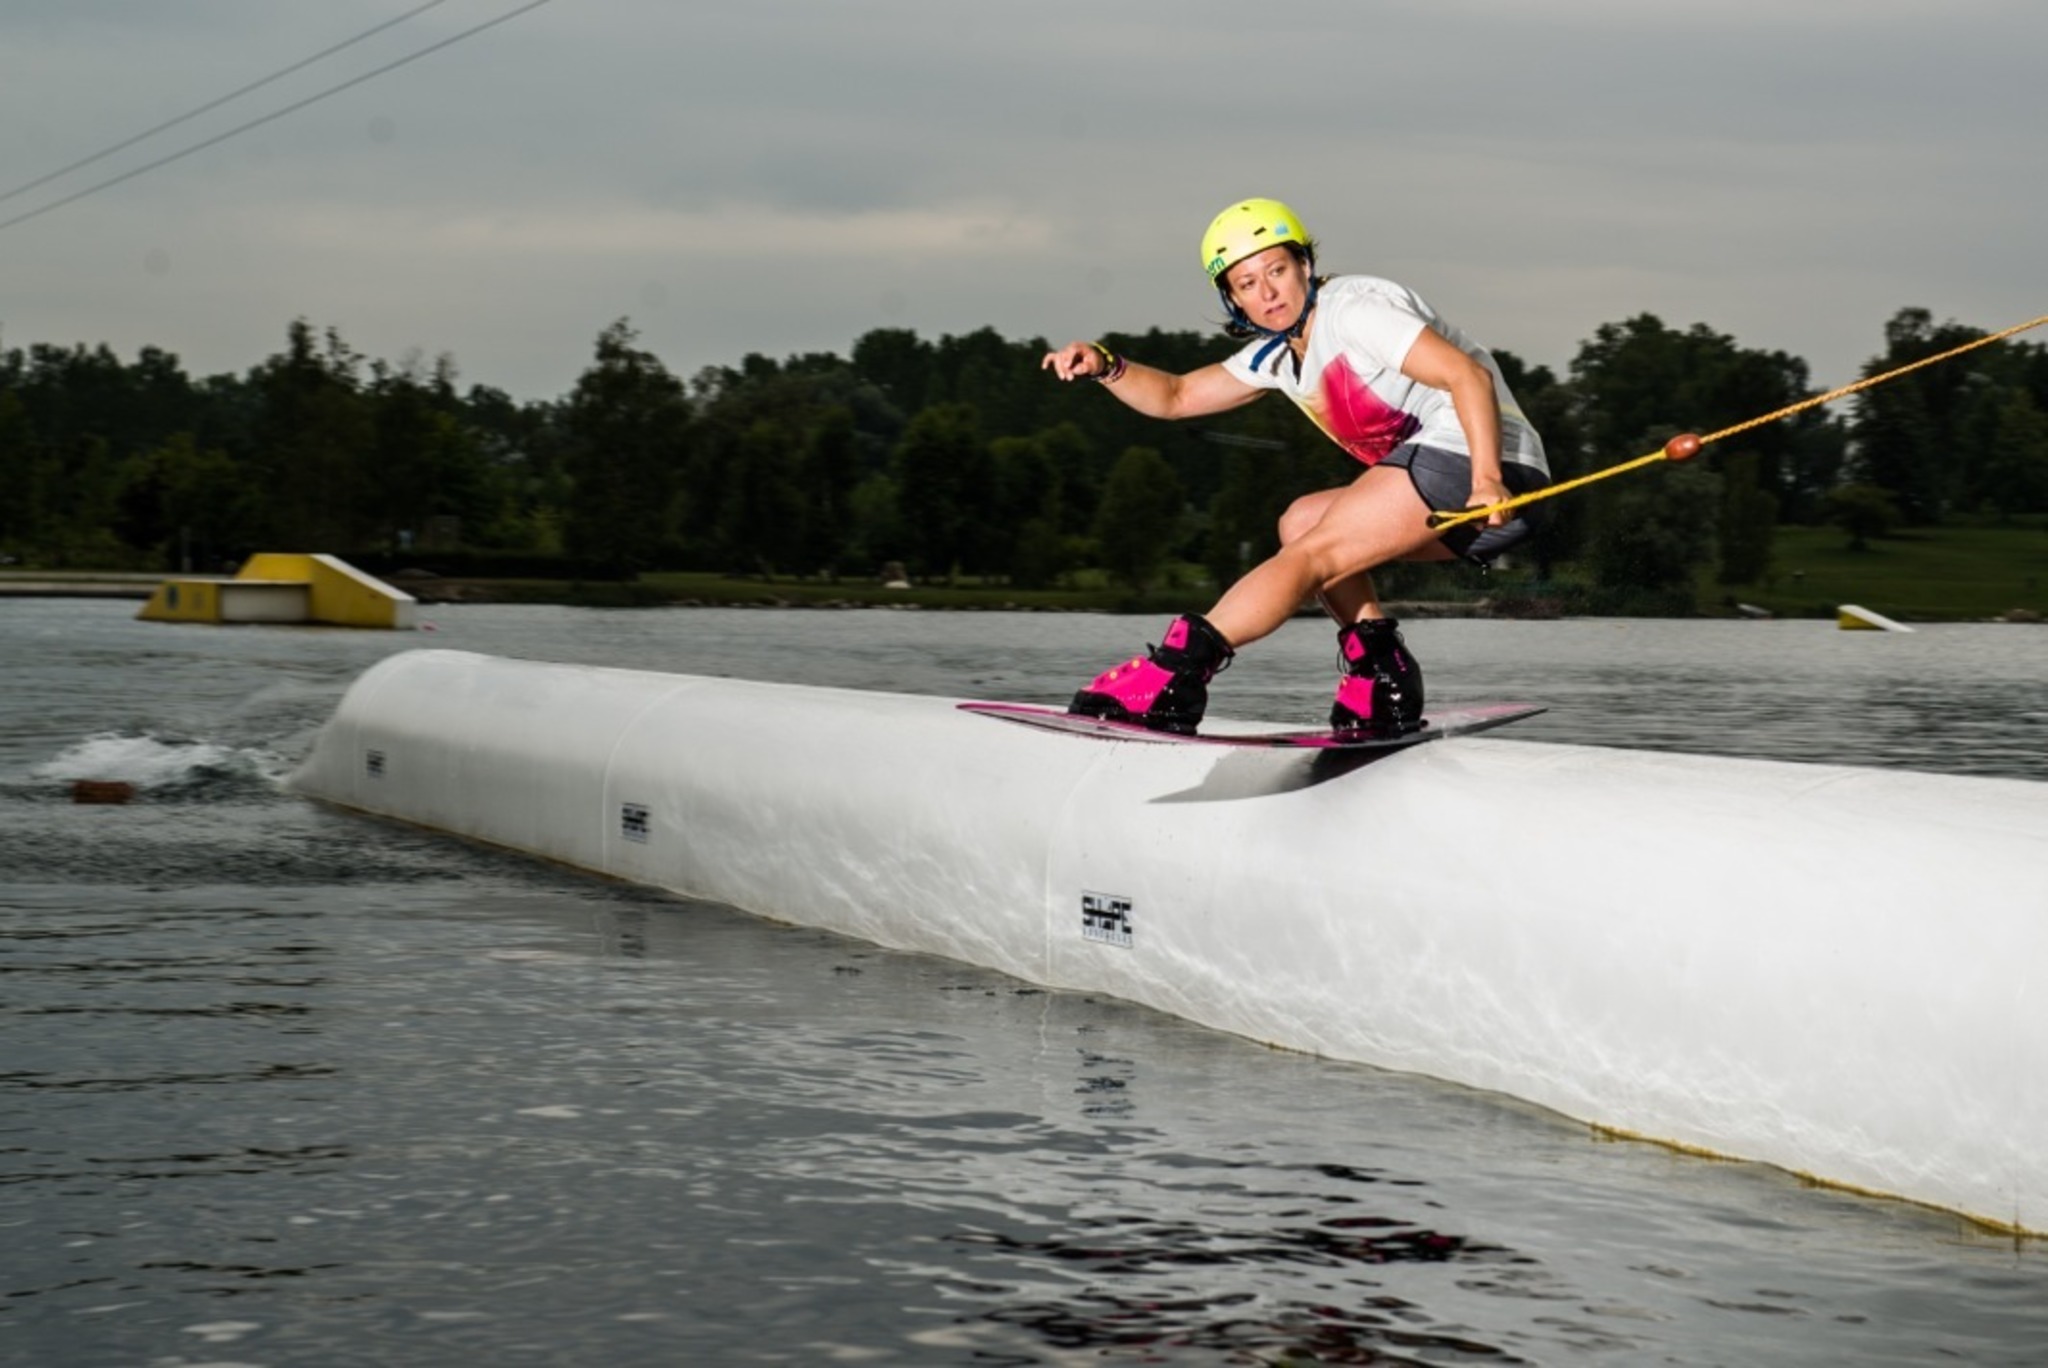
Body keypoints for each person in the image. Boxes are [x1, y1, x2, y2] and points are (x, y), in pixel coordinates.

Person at [1041, 197, 1550, 738]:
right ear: (1232, 297)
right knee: (1302, 523)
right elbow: (1177, 395)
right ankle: (1384, 674)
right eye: (1246, 283)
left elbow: (1469, 375)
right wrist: (1106, 366)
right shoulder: (1278, 356)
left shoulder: (1353, 309)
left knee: (1315, 552)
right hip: (1462, 491)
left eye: (1277, 271)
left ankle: (1176, 673)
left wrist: (1486, 479)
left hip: (1482, 466)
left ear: (1305, 265)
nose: (1267, 293)